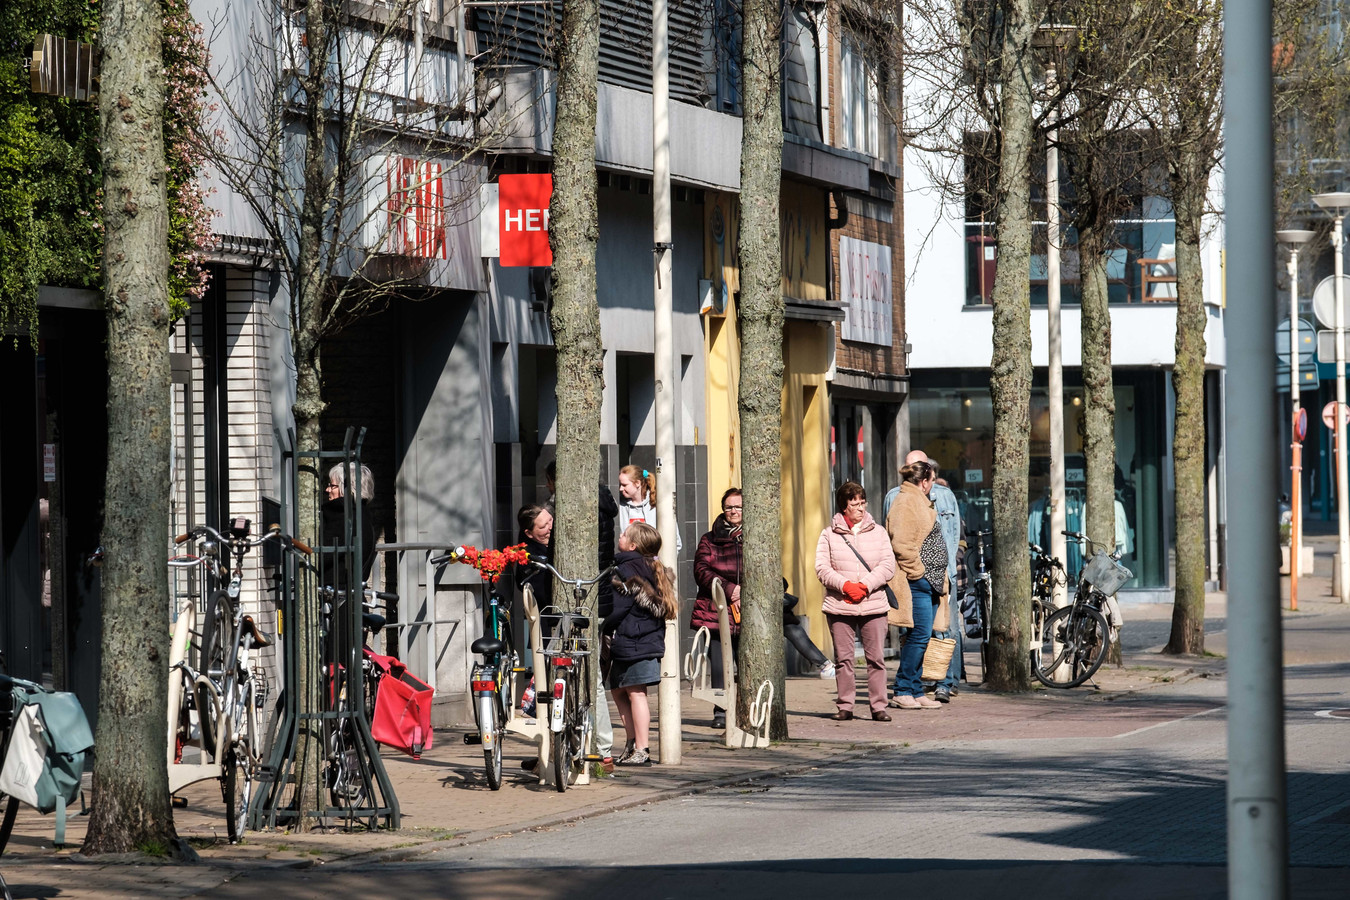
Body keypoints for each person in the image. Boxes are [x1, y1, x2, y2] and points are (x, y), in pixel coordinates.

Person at [544, 460, 620, 771]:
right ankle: (599, 746)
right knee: (591, 674)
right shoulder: (603, 501)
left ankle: (598, 745)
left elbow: (555, 552)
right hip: (599, 595)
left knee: (589, 676)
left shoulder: (568, 503)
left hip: (581, 597)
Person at [815, 481, 896, 722]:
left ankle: (879, 706)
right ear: (844, 507)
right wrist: (845, 586)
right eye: (854, 504)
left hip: (874, 604)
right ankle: (845, 706)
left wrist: (865, 586)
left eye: (863, 502)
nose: (861, 508)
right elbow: (822, 567)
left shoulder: (878, 531)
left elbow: (888, 565)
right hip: (840, 605)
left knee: (876, 659)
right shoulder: (828, 534)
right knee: (844, 659)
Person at [604, 522, 678, 766]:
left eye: (624, 534)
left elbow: (619, 607)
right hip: (640, 639)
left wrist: (602, 624)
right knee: (619, 690)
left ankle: (642, 748)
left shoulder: (627, 569)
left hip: (635, 639)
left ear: (633, 545)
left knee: (636, 692)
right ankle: (632, 743)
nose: (620, 535)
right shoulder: (649, 567)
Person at [886, 459, 949, 710]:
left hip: (929, 581)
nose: (933, 485)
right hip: (918, 582)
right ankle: (902, 689)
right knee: (919, 636)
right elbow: (901, 543)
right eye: (932, 480)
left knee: (922, 636)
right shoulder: (905, 502)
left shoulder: (918, 500)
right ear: (924, 482)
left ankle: (914, 689)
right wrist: (918, 573)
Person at [321, 462, 376, 586]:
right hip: (351, 594)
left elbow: (322, 556)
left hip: (334, 594)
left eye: (332, 485)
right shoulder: (363, 514)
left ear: (347, 488)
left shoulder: (340, 516)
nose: (327, 489)